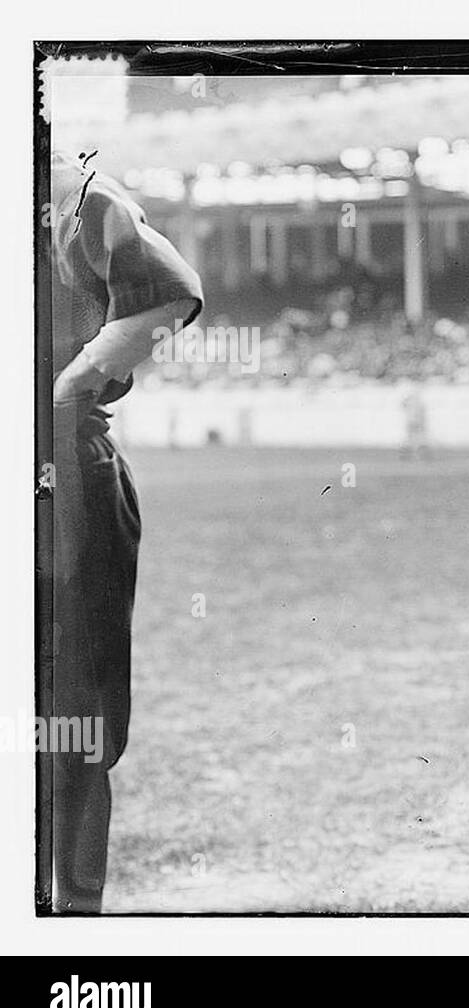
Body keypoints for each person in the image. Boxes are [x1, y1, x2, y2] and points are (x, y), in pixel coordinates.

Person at [43, 151, 203, 912]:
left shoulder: (69, 193)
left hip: (59, 472)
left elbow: (171, 292)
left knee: (70, 712)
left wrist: (67, 385)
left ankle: (69, 919)